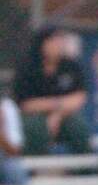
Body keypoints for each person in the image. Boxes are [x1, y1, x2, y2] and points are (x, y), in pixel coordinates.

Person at [14, 25, 92, 156]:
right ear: (43, 43)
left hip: (64, 116)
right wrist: (56, 105)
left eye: (61, 40)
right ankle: (33, 169)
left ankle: (84, 170)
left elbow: (79, 97)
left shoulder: (70, 66)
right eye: (54, 41)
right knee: (34, 127)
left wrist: (58, 114)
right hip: (33, 118)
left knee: (78, 127)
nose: (59, 45)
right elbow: (26, 103)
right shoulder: (28, 67)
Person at [1, 90, 28, 185]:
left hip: (3, 159)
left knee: (15, 169)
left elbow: (16, 150)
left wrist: (1, 133)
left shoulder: (7, 106)